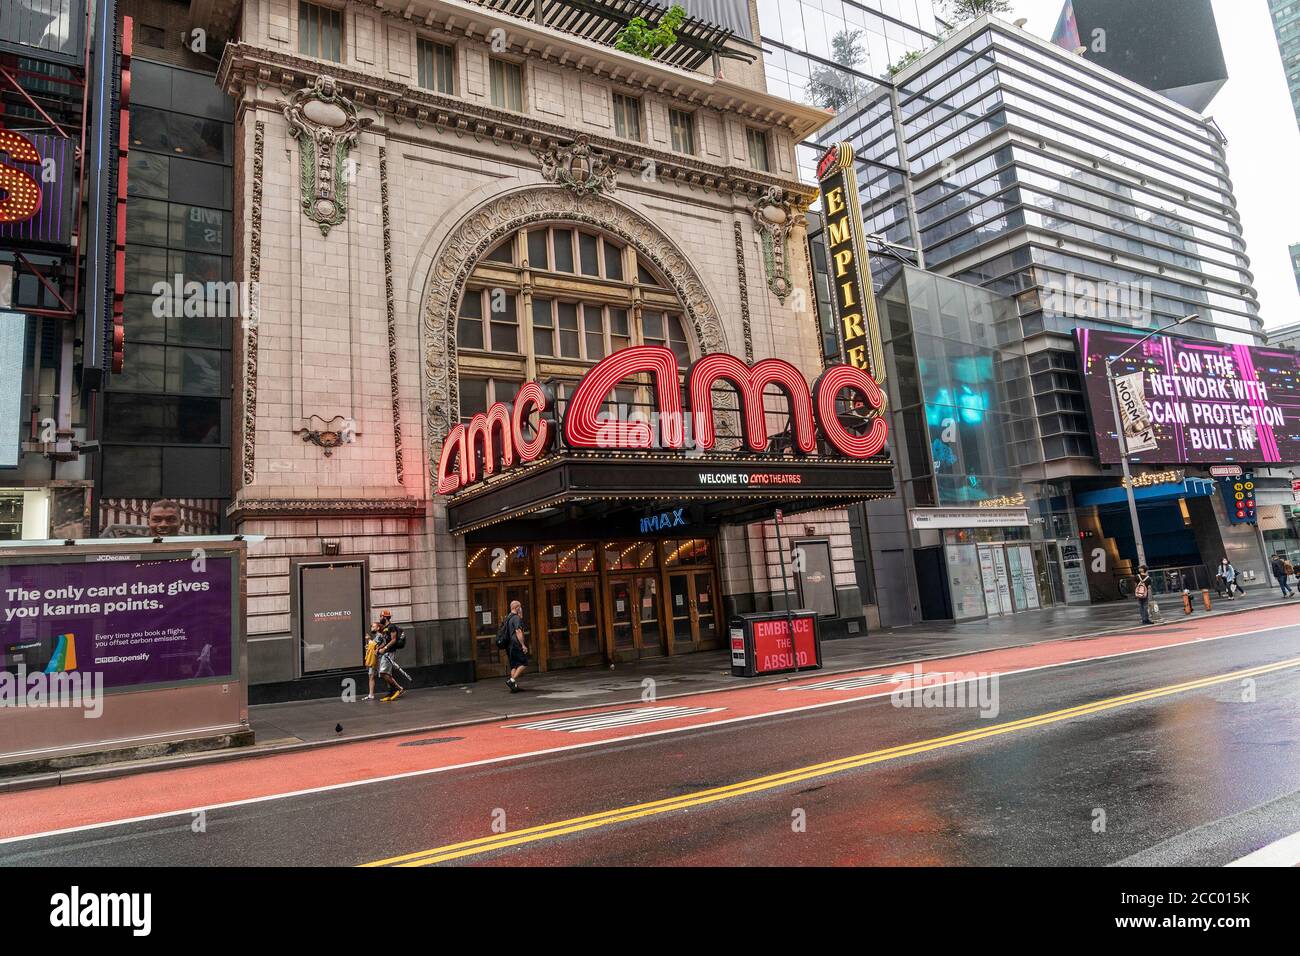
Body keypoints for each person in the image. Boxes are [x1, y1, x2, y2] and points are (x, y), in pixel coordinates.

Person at [374, 610, 406, 701]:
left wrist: (385, 648)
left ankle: (399, 689)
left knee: (383, 673)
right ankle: (392, 691)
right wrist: (378, 648)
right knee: (385, 673)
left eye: (380, 616)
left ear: (385, 617)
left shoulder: (391, 627)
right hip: (385, 652)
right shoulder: (385, 628)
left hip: (390, 652)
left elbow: (393, 640)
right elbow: (385, 642)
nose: (379, 618)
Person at [504, 599, 529, 693]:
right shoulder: (516, 618)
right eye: (520, 606)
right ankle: (512, 680)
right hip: (516, 644)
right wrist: (523, 645)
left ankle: (513, 686)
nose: (521, 608)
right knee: (524, 663)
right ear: (516, 607)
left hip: (509, 645)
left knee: (514, 666)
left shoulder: (508, 617)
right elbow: (518, 631)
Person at [363, 624, 381, 700]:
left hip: (379, 659)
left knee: (385, 675)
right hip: (373, 660)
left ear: (378, 628)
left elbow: (374, 645)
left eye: (373, 626)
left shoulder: (379, 635)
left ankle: (394, 689)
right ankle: (371, 694)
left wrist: (369, 640)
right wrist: (368, 641)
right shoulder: (375, 637)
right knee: (371, 675)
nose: (372, 628)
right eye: (371, 626)